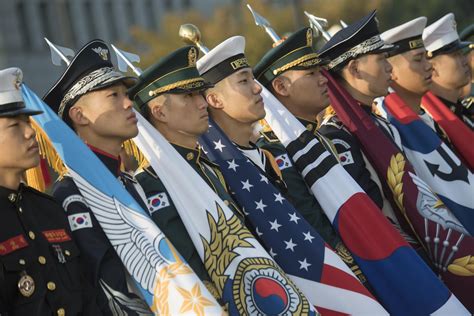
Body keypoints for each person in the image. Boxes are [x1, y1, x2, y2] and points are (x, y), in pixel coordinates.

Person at [196, 35, 369, 285]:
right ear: (214, 100)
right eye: (244, 81)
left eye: (253, 79)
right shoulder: (217, 171)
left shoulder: (270, 154)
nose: (257, 88)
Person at [42, 40, 151, 315]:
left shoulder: (128, 181)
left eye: (126, 94)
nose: (129, 103)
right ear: (79, 115)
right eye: (113, 96)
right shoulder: (71, 194)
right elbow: (109, 287)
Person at [128, 46, 242, 290]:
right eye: (188, 97)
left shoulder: (209, 166)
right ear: (159, 112)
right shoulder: (151, 181)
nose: (202, 104)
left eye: (200, 94)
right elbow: (184, 264)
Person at [0, 67, 100, 315]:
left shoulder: (48, 208)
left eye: (28, 122)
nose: (30, 132)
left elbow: (87, 295)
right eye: (15, 126)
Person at [381, 16, 453, 145]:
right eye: (418, 59)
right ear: (390, 70)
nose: (429, 65)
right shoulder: (392, 131)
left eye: (426, 57)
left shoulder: (429, 120)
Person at [423, 13, 473, 129]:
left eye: (462, 54)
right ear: (432, 68)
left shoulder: (462, 113)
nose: (465, 60)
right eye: (456, 55)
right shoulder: (431, 122)